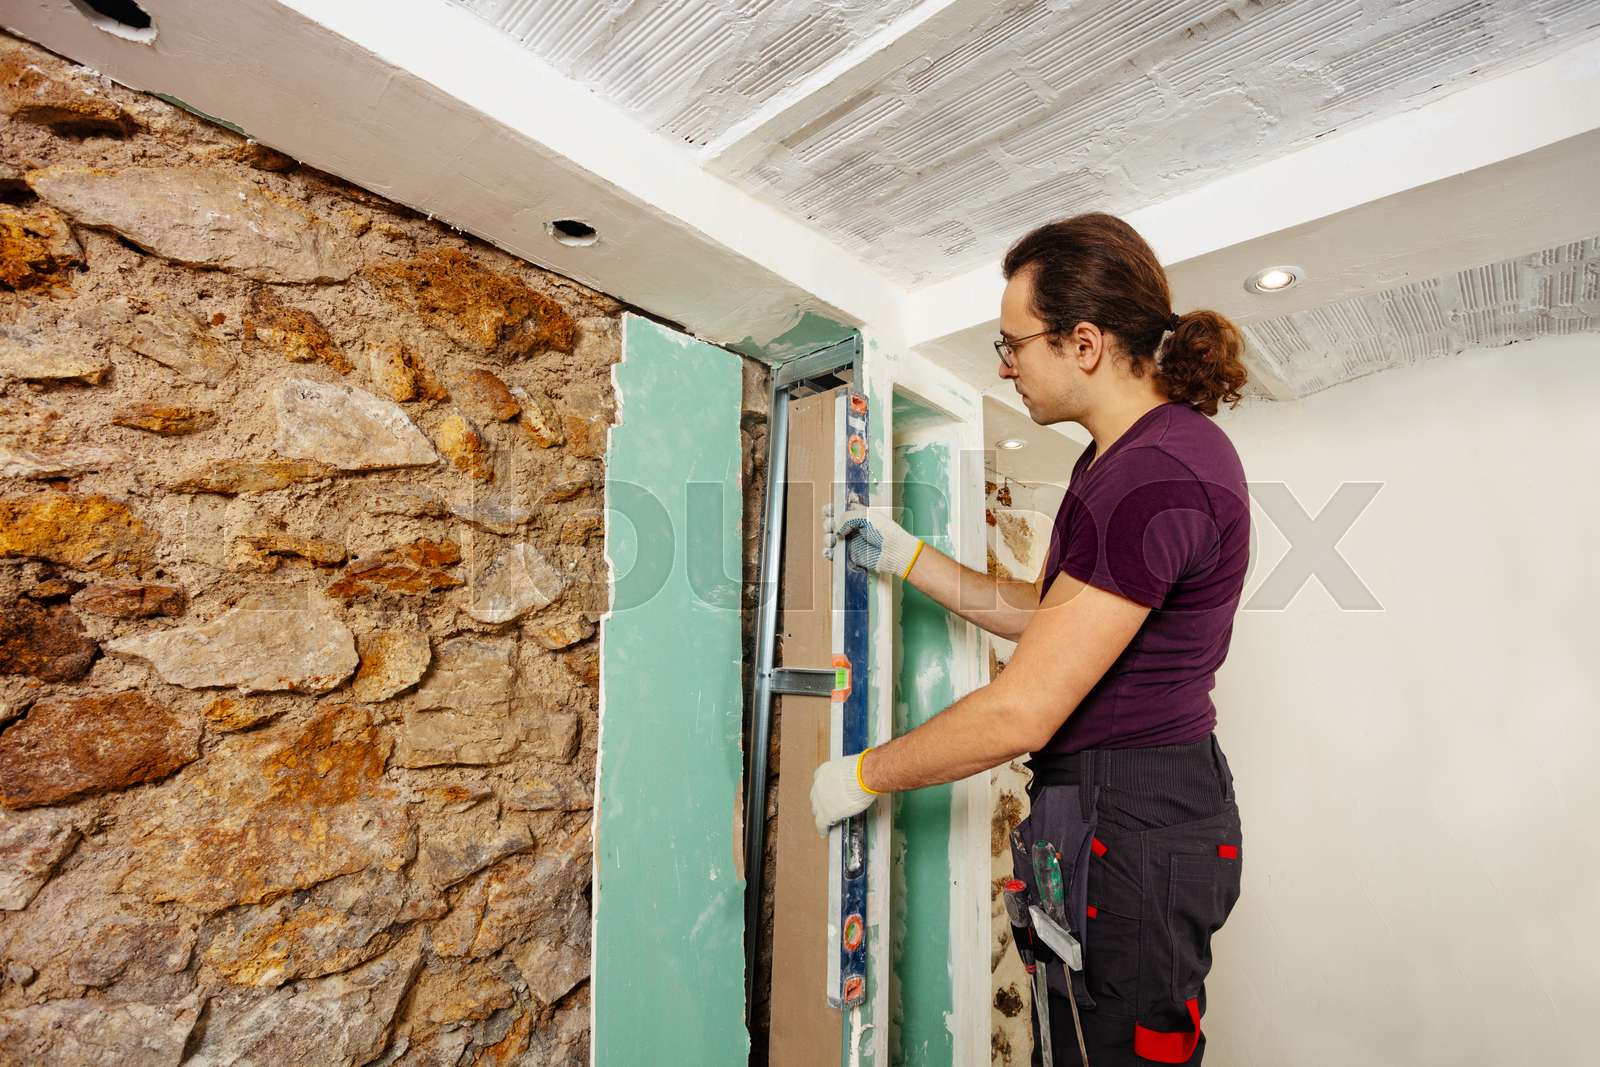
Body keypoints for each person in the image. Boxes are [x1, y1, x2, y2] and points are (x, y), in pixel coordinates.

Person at [810, 212, 1251, 1065]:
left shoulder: (1157, 473)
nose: (1005, 365)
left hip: (1133, 820)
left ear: (1083, 342)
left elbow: (1022, 711)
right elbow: (1051, 621)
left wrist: (867, 772)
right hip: (1109, 811)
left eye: (1014, 344)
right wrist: (909, 558)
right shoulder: (1113, 460)